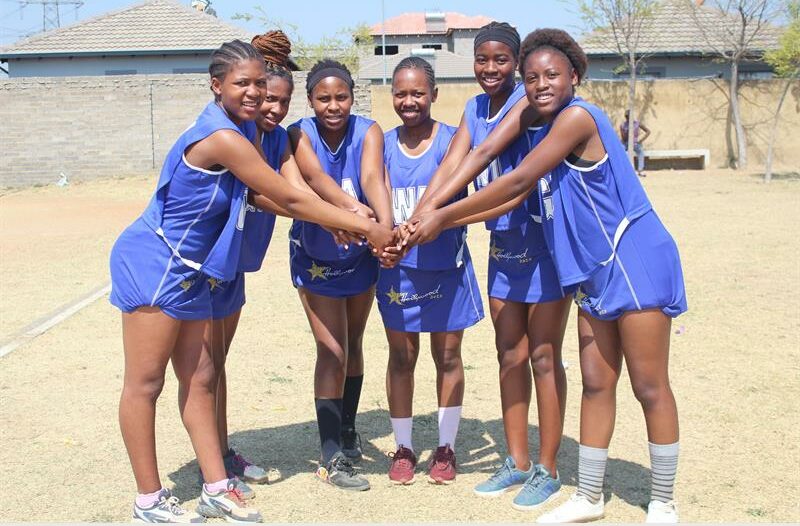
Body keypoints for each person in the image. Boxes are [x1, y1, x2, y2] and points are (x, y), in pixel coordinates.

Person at [402, 28, 686, 524]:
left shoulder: (576, 118)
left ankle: (663, 500)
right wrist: (429, 215)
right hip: (591, 271)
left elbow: (514, 179)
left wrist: (442, 217)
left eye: (551, 75)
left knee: (648, 385)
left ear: (574, 75)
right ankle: (590, 497)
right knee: (597, 381)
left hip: (632, 260)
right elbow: (490, 169)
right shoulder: (537, 121)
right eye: (532, 78)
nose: (540, 85)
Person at [109, 40, 393, 522]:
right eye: (243, 83)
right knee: (146, 383)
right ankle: (149, 500)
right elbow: (288, 196)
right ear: (216, 85)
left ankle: (217, 486)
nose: (256, 93)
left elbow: (282, 197)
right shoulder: (222, 138)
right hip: (157, 263)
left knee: (201, 378)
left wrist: (341, 219)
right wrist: (366, 226)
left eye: (261, 83)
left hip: (199, 270)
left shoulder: (248, 131)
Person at [408, 22, 572, 509]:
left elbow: (483, 157)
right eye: (482, 59)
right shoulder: (474, 107)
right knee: (509, 355)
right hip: (503, 245)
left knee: (543, 355)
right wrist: (418, 215)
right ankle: (516, 461)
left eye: (501, 60)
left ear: (518, 63)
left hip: (543, 241)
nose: (490, 69)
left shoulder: (527, 99)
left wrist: (437, 216)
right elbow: (452, 166)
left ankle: (549, 468)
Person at [287, 59, 394, 491]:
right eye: (323, 98)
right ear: (310, 100)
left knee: (352, 343)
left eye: (341, 97)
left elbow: (372, 176)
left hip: (361, 252)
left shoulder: (368, 130)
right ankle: (331, 453)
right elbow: (313, 178)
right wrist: (355, 213)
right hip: (317, 253)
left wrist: (382, 231)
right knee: (330, 349)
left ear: (352, 96)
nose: (333, 106)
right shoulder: (298, 133)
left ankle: (348, 430)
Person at [379, 57, 484, 486]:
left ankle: (446, 448)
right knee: (402, 357)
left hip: (446, 268)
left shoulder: (451, 142)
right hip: (397, 272)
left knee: (448, 356)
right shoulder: (381, 143)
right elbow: (375, 199)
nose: (409, 101)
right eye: (401, 94)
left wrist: (435, 223)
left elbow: (468, 204)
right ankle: (403, 448)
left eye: (418, 93)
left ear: (434, 94)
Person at [201, 30, 297, 500]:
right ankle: (212, 463)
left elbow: (304, 186)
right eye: (265, 97)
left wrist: (352, 215)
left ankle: (221, 449)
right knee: (204, 368)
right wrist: (354, 224)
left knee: (219, 362)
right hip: (205, 262)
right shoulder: (233, 135)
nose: (271, 107)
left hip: (236, 262)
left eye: (281, 100)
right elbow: (277, 195)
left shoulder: (276, 138)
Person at [619, 109, 651, 177]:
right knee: (621, 151)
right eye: (627, 117)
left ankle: (640, 170)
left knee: (640, 152)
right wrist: (625, 133)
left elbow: (648, 131)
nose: (628, 118)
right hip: (626, 143)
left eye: (629, 117)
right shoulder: (623, 125)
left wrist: (641, 140)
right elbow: (623, 138)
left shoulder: (637, 123)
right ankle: (624, 170)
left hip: (635, 143)